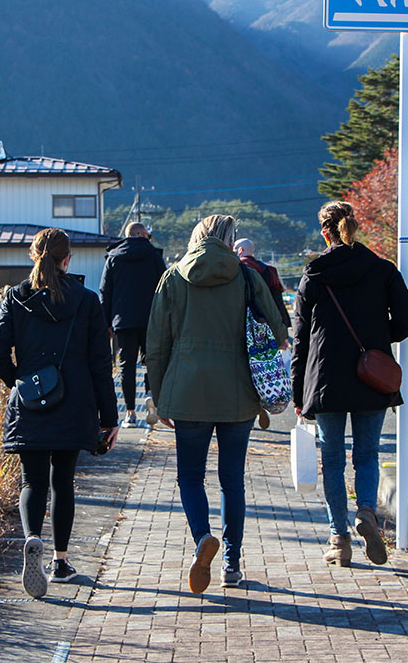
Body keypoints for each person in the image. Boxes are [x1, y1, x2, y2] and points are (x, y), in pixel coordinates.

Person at [145, 215, 289, 592]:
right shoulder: (247, 277)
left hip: (187, 390)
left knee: (190, 476)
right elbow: (277, 330)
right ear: (230, 239)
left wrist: (160, 397)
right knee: (231, 481)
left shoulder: (173, 277)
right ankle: (231, 562)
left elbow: (156, 343)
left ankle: (201, 539)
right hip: (238, 393)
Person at [0, 228, 119, 599]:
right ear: (67, 260)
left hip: (29, 403)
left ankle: (32, 541)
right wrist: (109, 418)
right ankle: (61, 562)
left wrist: (19, 382)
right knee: (63, 481)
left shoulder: (15, 298)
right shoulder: (87, 300)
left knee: (32, 481)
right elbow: (100, 364)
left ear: (34, 257)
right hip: (74, 402)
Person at [291, 202, 408, 568]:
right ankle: (366, 512)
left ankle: (339, 539)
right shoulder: (382, 270)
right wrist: (378, 339)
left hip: (326, 378)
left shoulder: (314, 275)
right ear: (354, 227)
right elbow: (407, 320)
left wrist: (299, 393)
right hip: (371, 377)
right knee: (367, 453)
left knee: (332, 460)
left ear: (324, 232)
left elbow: (300, 340)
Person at [100, 221, 167, 429]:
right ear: (141, 234)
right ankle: (150, 395)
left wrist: (107, 322)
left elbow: (105, 292)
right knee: (152, 361)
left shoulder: (114, 258)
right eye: (148, 235)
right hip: (151, 320)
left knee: (126, 366)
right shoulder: (154, 257)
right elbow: (164, 289)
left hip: (123, 320)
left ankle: (130, 413)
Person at [234, 237, 292, 429]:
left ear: (241, 250)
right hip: (266, 327)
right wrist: (282, 333)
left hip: (244, 325)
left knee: (247, 367)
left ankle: (251, 405)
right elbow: (277, 301)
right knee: (264, 367)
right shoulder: (269, 271)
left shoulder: (236, 269)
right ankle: (262, 402)